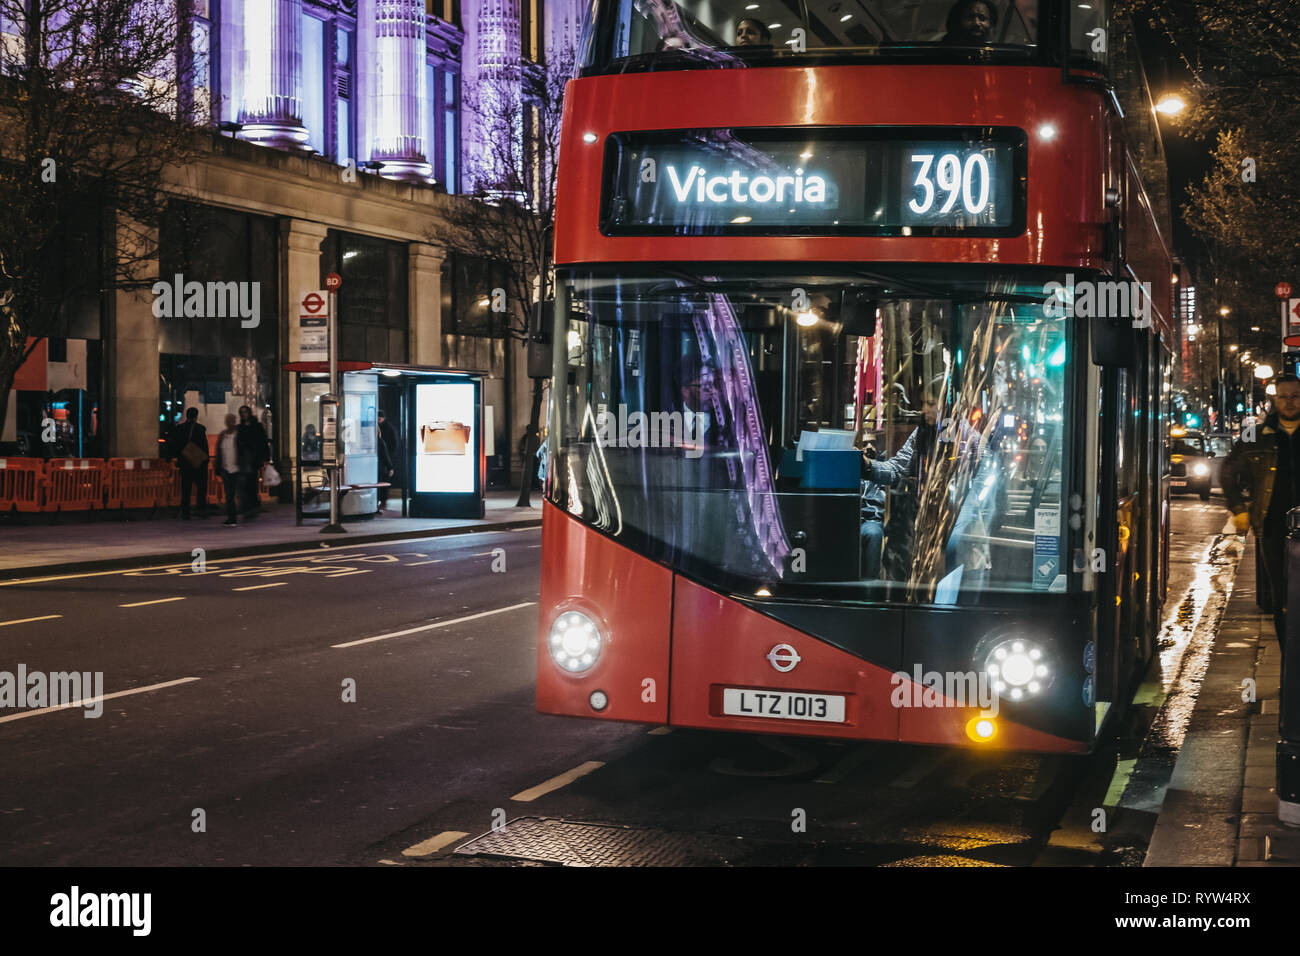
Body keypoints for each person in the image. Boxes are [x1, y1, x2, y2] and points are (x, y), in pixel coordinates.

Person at [1222, 374, 1300, 650]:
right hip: (1272, 528)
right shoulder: (1256, 435)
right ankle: (1290, 664)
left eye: (1295, 396)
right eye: (1284, 396)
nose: (1289, 402)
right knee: (1283, 598)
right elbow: (1228, 470)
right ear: (1274, 400)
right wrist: (1239, 510)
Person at [860, 397, 939, 578]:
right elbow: (897, 468)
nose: (925, 409)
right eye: (924, 404)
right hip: (919, 514)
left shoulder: (962, 432)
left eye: (931, 404)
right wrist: (869, 466)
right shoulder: (921, 432)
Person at [165, 407, 209, 519]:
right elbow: (204, 446)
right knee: (201, 487)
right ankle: (201, 509)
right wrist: (205, 460)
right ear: (196, 416)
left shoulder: (179, 428)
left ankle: (186, 511)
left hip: (185, 463)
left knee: (186, 488)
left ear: (187, 416)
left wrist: (170, 457)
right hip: (198, 463)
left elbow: (174, 445)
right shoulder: (200, 429)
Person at [236, 405, 269, 518]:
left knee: (252, 482)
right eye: (242, 412)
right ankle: (248, 504)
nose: (244, 414)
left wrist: (266, 457)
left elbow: (263, 442)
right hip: (244, 458)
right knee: (244, 482)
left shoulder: (257, 426)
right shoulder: (240, 427)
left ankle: (252, 504)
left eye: (245, 412)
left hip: (254, 458)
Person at [214, 413, 242, 527]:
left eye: (231, 421)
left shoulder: (239, 435)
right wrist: (218, 466)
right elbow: (219, 452)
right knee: (229, 495)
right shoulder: (222, 435)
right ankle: (231, 517)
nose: (230, 423)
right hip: (226, 468)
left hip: (237, 468)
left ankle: (240, 514)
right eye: (228, 421)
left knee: (238, 493)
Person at [376, 412, 395, 513]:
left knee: (381, 485)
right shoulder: (380, 441)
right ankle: (381, 504)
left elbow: (386, 453)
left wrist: (390, 466)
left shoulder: (380, 440)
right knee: (382, 484)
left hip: (381, 465)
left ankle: (381, 503)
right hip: (382, 465)